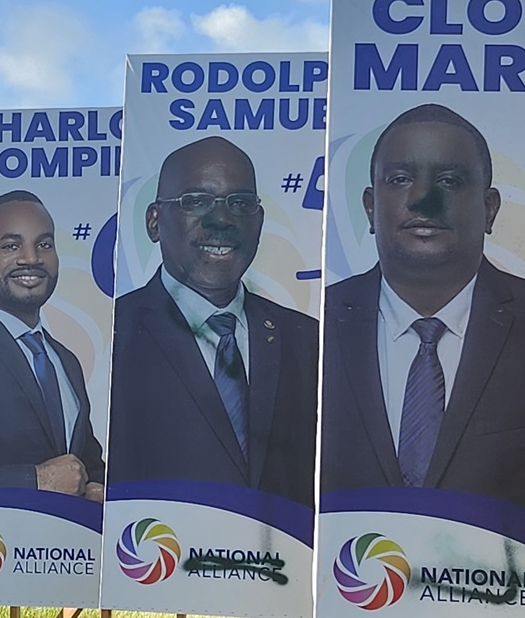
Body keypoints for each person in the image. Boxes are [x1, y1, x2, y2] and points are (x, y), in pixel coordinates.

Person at [321, 103, 525, 507]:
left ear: (489, 208)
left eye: (449, 180)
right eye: (399, 179)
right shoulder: (312, 329)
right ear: (370, 207)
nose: (422, 199)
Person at [107, 137, 318, 508]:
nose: (221, 219)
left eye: (239, 203)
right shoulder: (115, 333)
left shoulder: (307, 340)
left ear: (259, 221)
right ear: (154, 222)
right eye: (196, 202)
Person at [0, 190, 105, 499]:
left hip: (66, 545)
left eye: (44, 245)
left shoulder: (66, 360)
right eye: (11, 246)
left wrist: (100, 490)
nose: (31, 259)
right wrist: (34, 481)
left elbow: (84, 466)